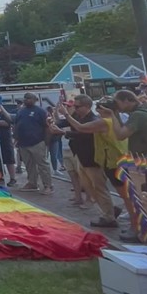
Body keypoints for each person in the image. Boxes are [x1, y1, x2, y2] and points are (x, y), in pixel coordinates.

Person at [56, 95, 117, 228]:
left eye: (78, 107)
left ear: (87, 107)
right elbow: (63, 123)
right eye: (75, 107)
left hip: (92, 158)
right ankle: (108, 209)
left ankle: (109, 216)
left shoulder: (94, 119)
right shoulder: (79, 117)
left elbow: (82, 131)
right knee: (89, 187)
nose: (75, 109)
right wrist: (57, 115)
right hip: (81, 156)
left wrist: (65, 120)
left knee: (99, 187)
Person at [15, 93, 54, 194]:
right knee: (29, 165)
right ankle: (32, 183)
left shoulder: (41, 111)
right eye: (25, 98)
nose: (26, 100)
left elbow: (47, 127)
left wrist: (46, 141)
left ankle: (48, 185)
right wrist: (16, 139)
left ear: (35, 99)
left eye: (29, 98)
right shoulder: (21, 111)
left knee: (43, 165)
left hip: (37, 142)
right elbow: (16, 124)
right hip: (23, 143)